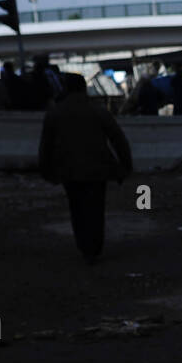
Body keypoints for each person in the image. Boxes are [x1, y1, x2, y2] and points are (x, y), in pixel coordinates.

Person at [37, 73, 132, 263]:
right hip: (98, 169)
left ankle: (84, 246)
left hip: (69, 170)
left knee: (77, 208)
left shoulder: (55, 113)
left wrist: (46, 171)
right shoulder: (98, 111)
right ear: (83, 88)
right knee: (95, 209)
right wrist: (124, 167)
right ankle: (94, 247)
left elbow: (45, 146)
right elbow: (118, 140)